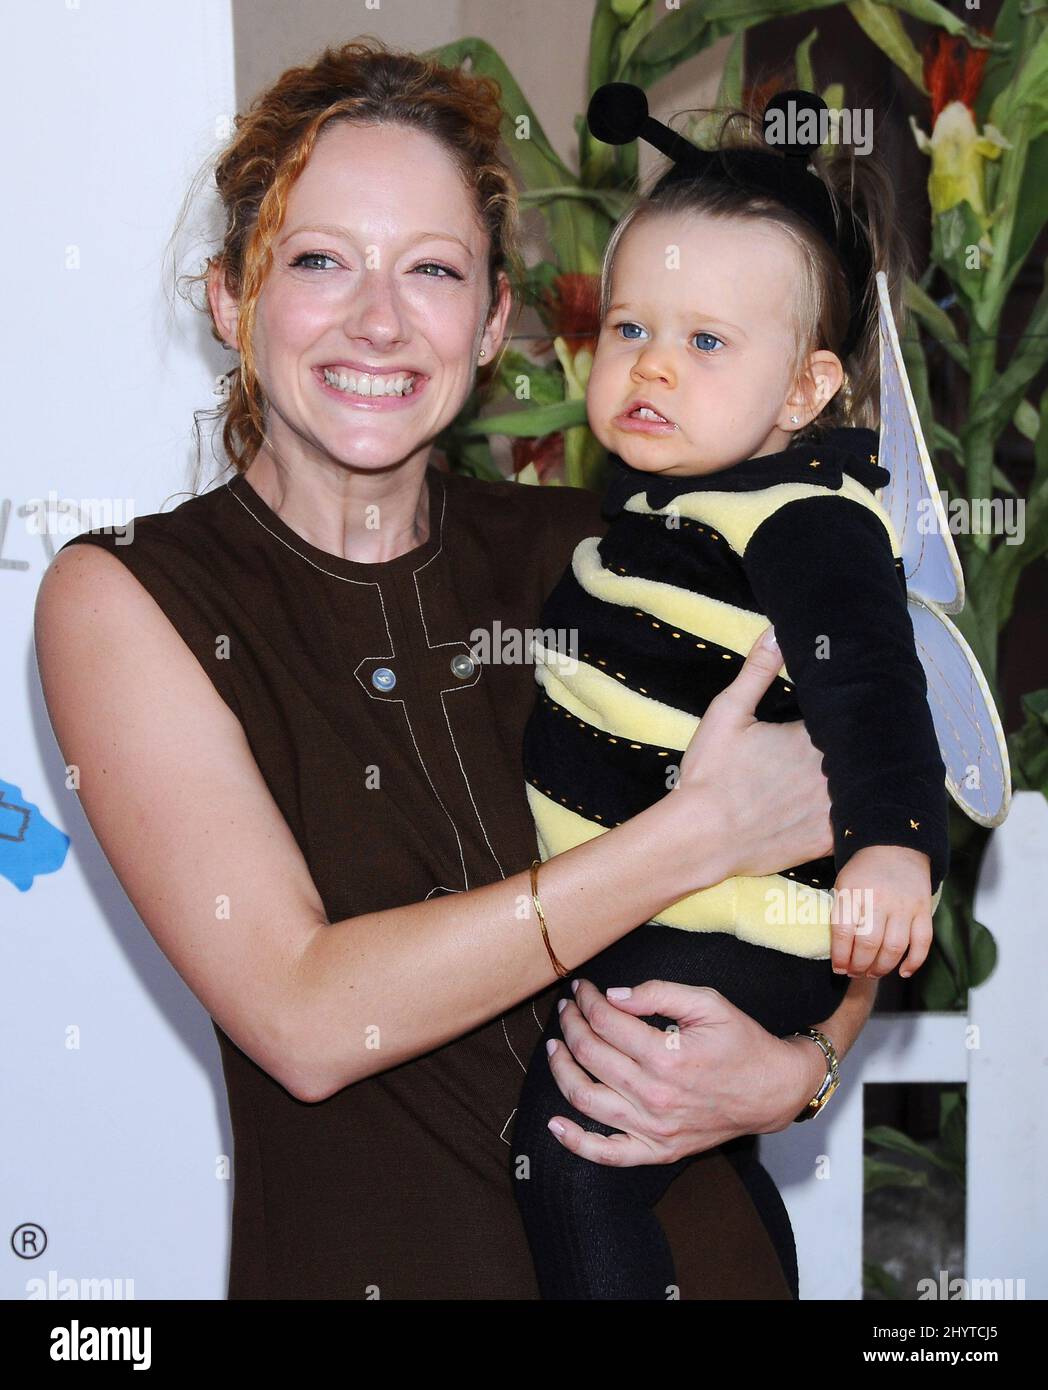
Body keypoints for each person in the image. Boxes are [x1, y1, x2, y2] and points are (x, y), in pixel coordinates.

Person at [33, 38, 877, 1301]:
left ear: (491, 324)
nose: (378, 319)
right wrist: (689, 837)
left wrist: (802, 1061)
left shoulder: (598, 555)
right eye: (319, 261)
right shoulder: (129, 596)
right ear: (228, 297)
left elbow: (866, 812)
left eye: (431, 271)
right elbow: (308, 1016)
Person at [509, 99, 950, 1299]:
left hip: (734, 921)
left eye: (707, 343)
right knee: (688, 1160)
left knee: (569, 1158)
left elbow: (871, 686)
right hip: (676, 912)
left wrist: (893, 851)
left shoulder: (802, 517)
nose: (651, 362)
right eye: (631, 326)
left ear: (805, 392)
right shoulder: (674, 507)